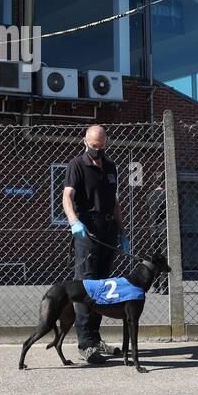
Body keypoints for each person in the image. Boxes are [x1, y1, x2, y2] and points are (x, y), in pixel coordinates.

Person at [61, 124, 129, 365]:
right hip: (86, 231)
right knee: (86, 287)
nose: (96, 150)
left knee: (102, 288)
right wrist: (74, 222)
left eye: (100, 146)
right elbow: (67, 196)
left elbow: (115, 201)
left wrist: (121, 231)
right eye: (93, 145)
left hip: (108, 231)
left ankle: (96, 339)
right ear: (85, 142)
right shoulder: (76, 165)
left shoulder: (111, 167)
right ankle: (86, 344)